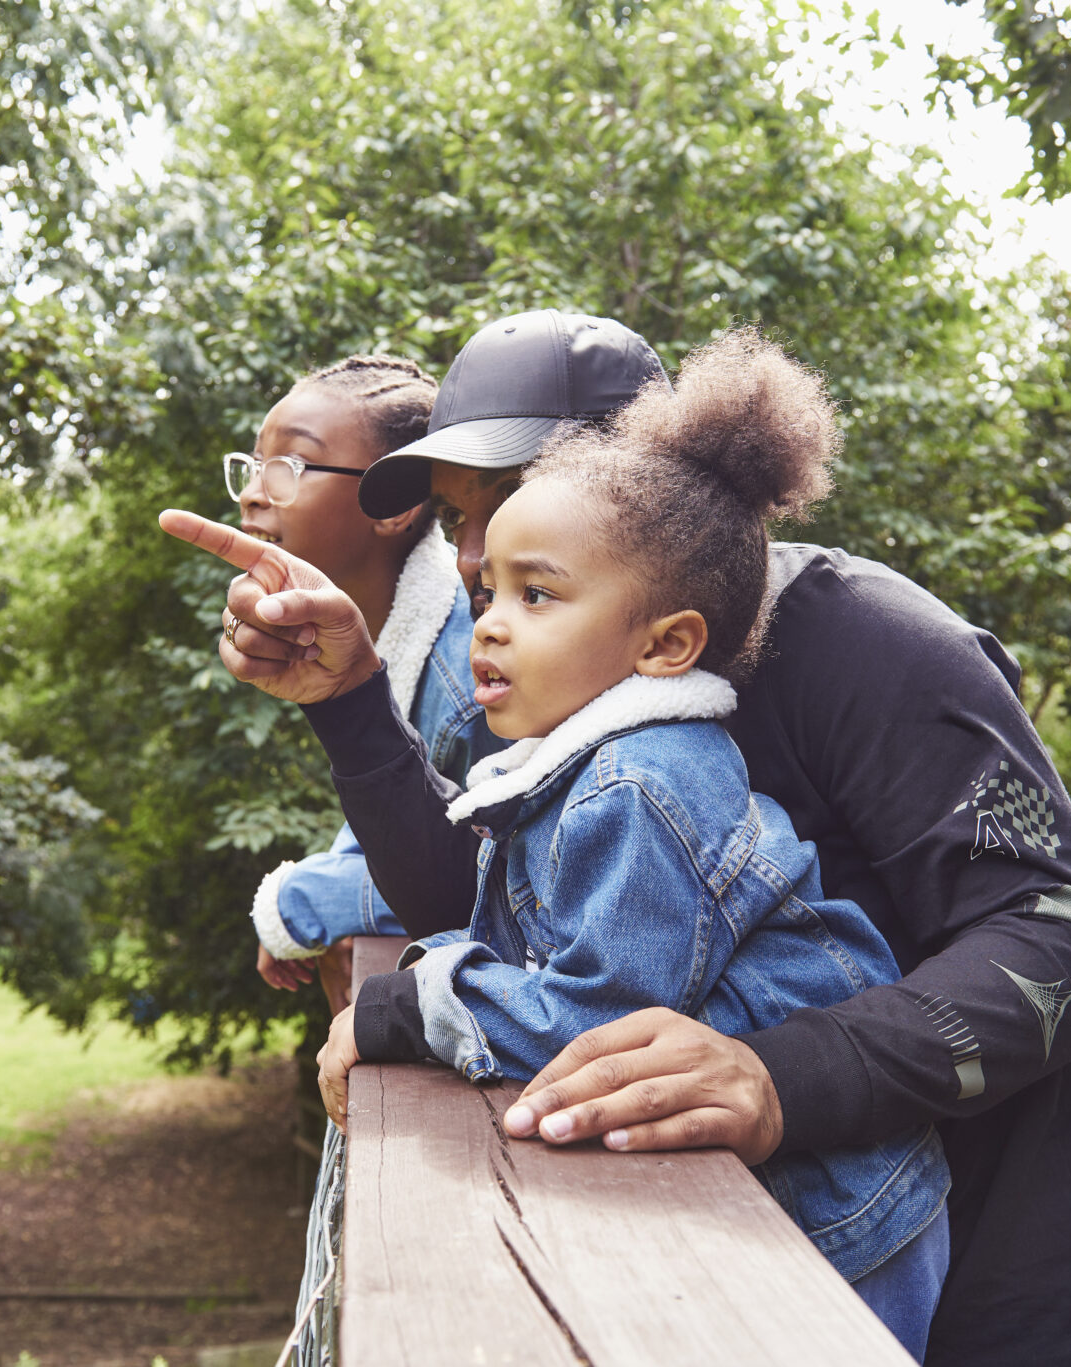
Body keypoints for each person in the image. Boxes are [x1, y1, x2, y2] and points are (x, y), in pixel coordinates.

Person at [158, 308, 1071, 1366]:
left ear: (654, 482)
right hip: (775, 1278)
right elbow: (477, 906)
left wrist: (776, 1075)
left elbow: (1068, 947)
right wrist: (348, 702)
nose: (478, 556)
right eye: (455, 519)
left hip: (1030, 1281)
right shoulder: (578, 674)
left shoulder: (869, 639)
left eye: (513, 494)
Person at [314, 330, 952, 1357]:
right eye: (483, 582)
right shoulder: (581, 747)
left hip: (839, 1217)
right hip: (751, 1194)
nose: (483, 612)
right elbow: (512, 919)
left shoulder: (640, 779)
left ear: (665, 639)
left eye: (535, 590)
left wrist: (405, 1002)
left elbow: (599, 1007)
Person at [225, 355, 502, 1003]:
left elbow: (499, 879)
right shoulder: (387, 639)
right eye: (254, 463)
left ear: (396, 505)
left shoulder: (472, 680)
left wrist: (304, 898)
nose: (253, 491)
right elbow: (400, 802)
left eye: (290, 466)